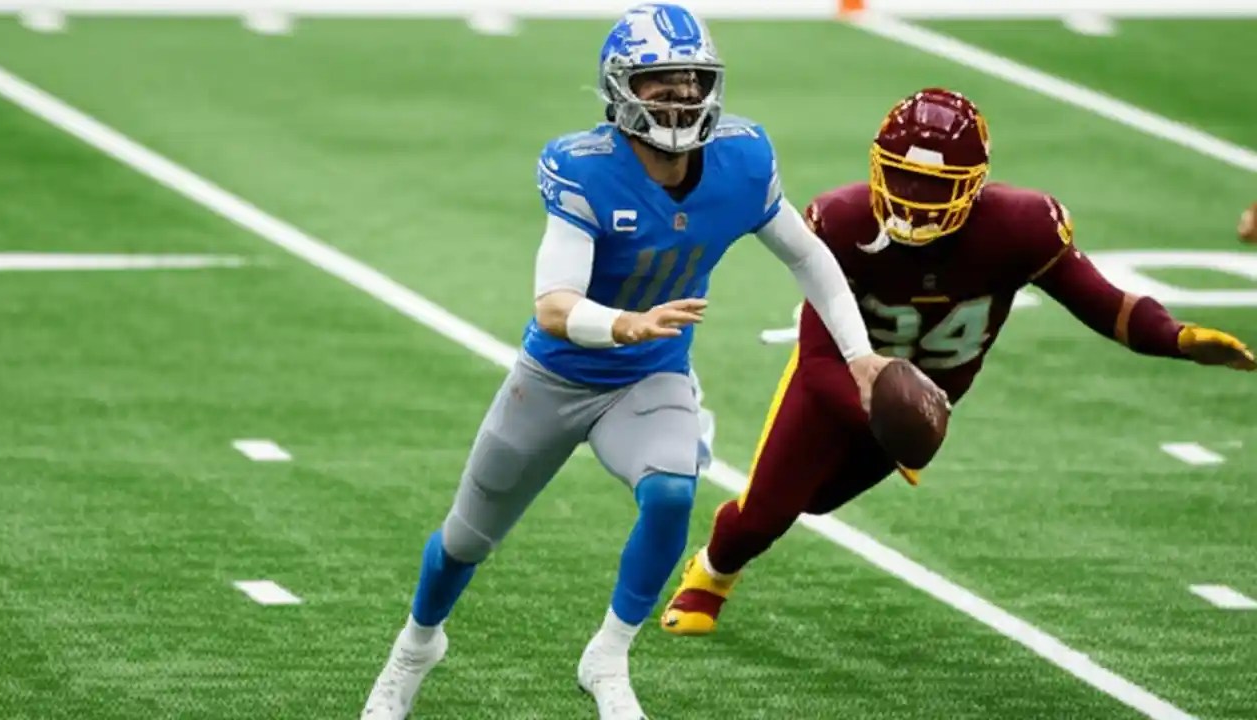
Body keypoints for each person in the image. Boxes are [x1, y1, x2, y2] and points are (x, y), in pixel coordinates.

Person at [361, 5, 890, 719]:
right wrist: (625, 323)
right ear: (620, 90)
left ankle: (608, 655)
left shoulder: (742, 160)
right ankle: (415, 648)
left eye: (690, 82)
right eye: (659, 83)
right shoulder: (583, 167)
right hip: (556, 376)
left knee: (673, 490)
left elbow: (809, 258)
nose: (678, 98)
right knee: (463, 540)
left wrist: (861, 358)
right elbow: (554, 306)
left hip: (652, 375)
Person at [661, 87, 1255, 638]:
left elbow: (1106, 305)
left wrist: (1175, 338)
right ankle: (712, 571)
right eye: (902, 179)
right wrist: (890, 416)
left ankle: (767, 519)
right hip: (845, 379)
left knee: (816, 500)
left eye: (934, 186)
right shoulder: (843, 221)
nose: (914, 201)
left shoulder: (1020, 228)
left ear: (974, 186)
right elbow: (817, 361)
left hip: (927, 396)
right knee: (769, 511)